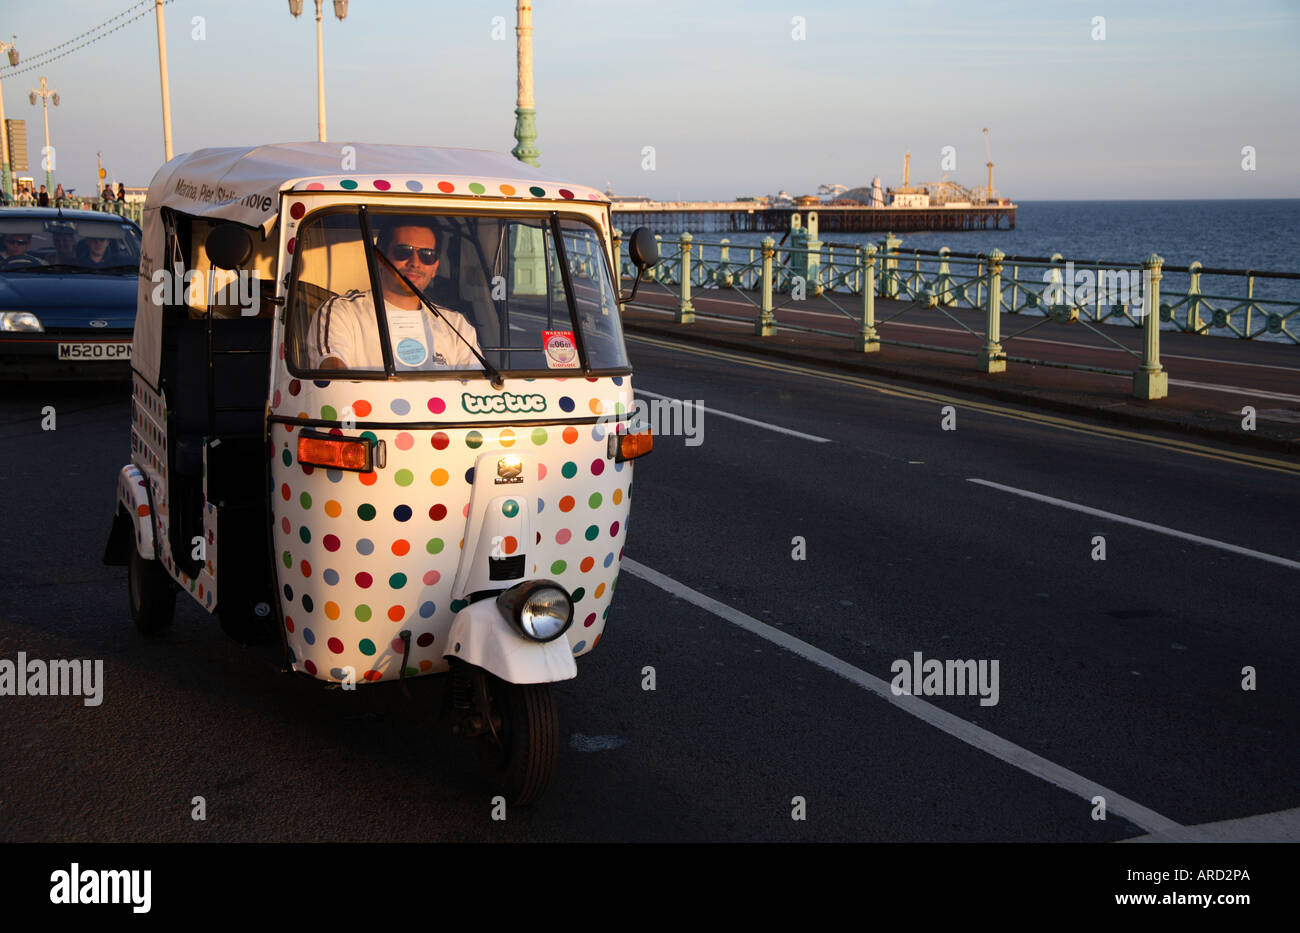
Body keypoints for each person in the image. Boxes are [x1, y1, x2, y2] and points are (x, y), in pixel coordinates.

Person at [309, 222, 482, 371]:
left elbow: (475, 387)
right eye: (403, 252)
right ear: (379, 258)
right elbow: (333, 374)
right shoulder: (342, 311)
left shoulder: (456, 324)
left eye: (427, 255)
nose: (415, 262)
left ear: (435, 267)